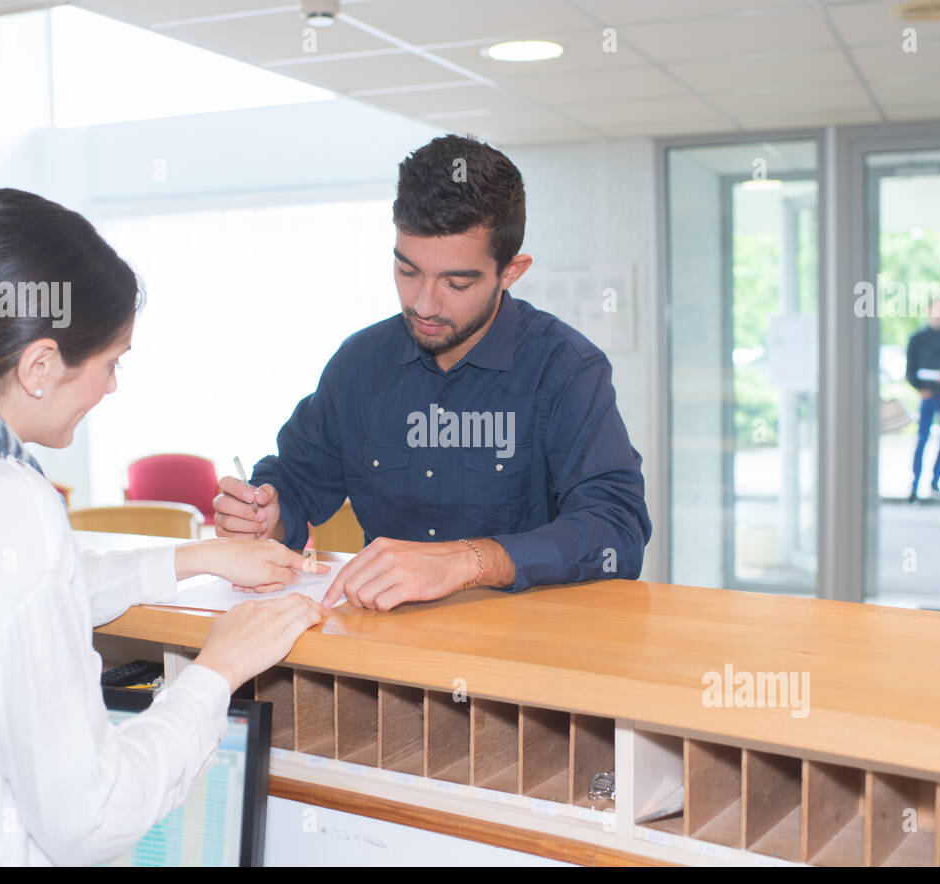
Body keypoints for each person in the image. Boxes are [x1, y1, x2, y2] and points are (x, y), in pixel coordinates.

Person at [0, 189, 328, 865]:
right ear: (39, 366)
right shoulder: (4, 503)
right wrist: (217, 672)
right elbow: (91, 818)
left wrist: (198, 559)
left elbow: (3, 605)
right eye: (111, 362)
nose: (111, 388)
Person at [214, 134, 652, 611]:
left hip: (523, 653)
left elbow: (617, 529)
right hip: (384, 650)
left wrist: (465, 562)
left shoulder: (566, 370)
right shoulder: (360, 364)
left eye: (456, 282)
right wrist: (266, 517)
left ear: (511, 271)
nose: (423, 304)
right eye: (407, 271)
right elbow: (296, 482)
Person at [905, 298, 940, 502]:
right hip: (928, 395)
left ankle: (935, 482)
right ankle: (915, 485)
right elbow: (910, 370)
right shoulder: (918, 339)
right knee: (922, 439)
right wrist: (920, 388)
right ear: (929, 311)